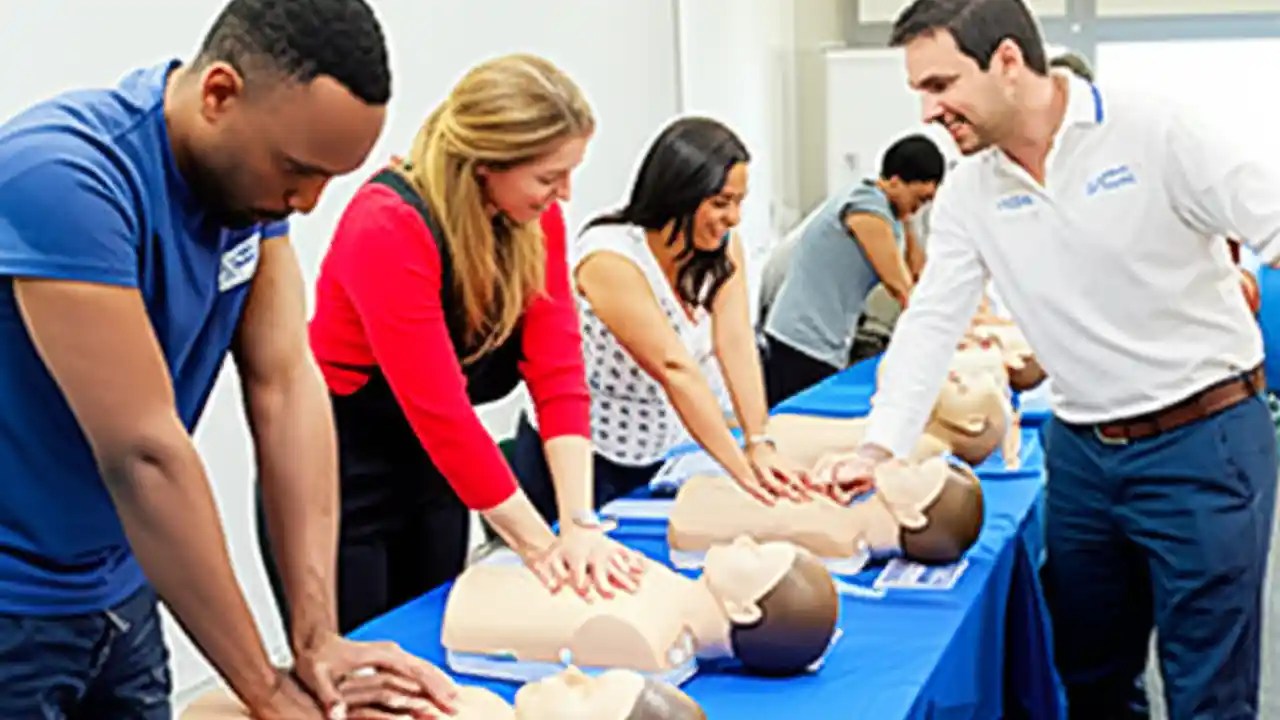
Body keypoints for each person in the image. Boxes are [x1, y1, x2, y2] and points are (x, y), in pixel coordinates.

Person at [812, 1, 1280, 718]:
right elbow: (932, 320)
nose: (929, 111)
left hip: (1203, 442)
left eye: (941, 85)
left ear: (1006, 61)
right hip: (1085, 454)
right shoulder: (971, 188)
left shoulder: (1155, 130)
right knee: (1089, 673)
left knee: (1206, 689)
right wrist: (879, 447)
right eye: (920, 92)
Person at [0, 1, 461, 718]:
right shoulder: (63, 176)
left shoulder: (250, 192)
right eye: (298, 171)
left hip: (120, 585)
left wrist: (316, 639)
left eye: (331, 180)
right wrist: (266, 692)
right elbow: (146, 454)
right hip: (14, 608)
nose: (307, 205)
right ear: (219, 93)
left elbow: (285, 385)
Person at [279, 52, 645, 637]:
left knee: (436, 641)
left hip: (434, 473)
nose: (567, 194)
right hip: (339, 478)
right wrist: (543, 552)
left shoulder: (531, 220)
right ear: (485, 166)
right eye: (550, 177)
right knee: (366, 669)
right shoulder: (387, 227)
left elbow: (558, 373)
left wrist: (578, 523)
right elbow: (441, 411)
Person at [519, 116, 807, 512]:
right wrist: (741, 470)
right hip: (585, 455)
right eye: (721, 203)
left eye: (739, 202)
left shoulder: (721, 248)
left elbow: (736, 341)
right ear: (679, 196)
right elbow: (674, 367)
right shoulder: (610, 256)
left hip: (656, 448)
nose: (733, 218)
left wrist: (760, 442)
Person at [761, 134, 945, 405]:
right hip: (799, 343)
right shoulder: (865, 205)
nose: (921, 208)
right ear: (894, 181)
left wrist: (909, 221)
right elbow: (901, 286)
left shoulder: (890, 214)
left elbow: (919, 274)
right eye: (920, 198)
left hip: (826, 345)